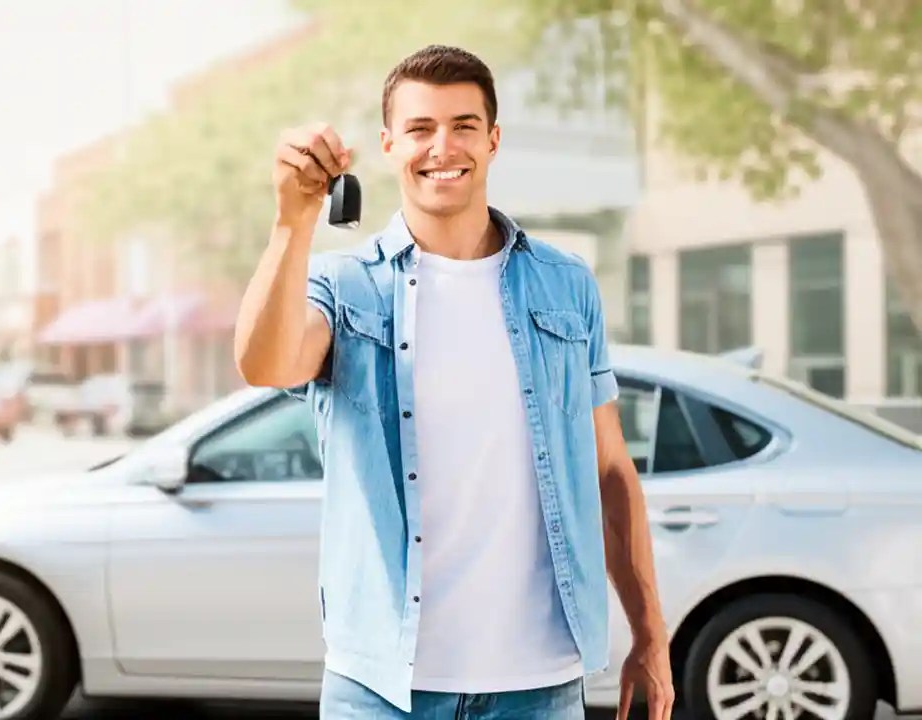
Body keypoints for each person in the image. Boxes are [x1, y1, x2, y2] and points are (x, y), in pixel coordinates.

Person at [233, 45, 675, 719]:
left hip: (538, 684)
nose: (444, 146)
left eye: (464, 125)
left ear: (493, 140)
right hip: (381, 686)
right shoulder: (344, 286)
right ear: (388, 146)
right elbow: (264, 364)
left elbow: (610, 469)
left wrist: (650, 630)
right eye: (420, 129)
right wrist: (292, 220)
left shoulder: (566, 284)